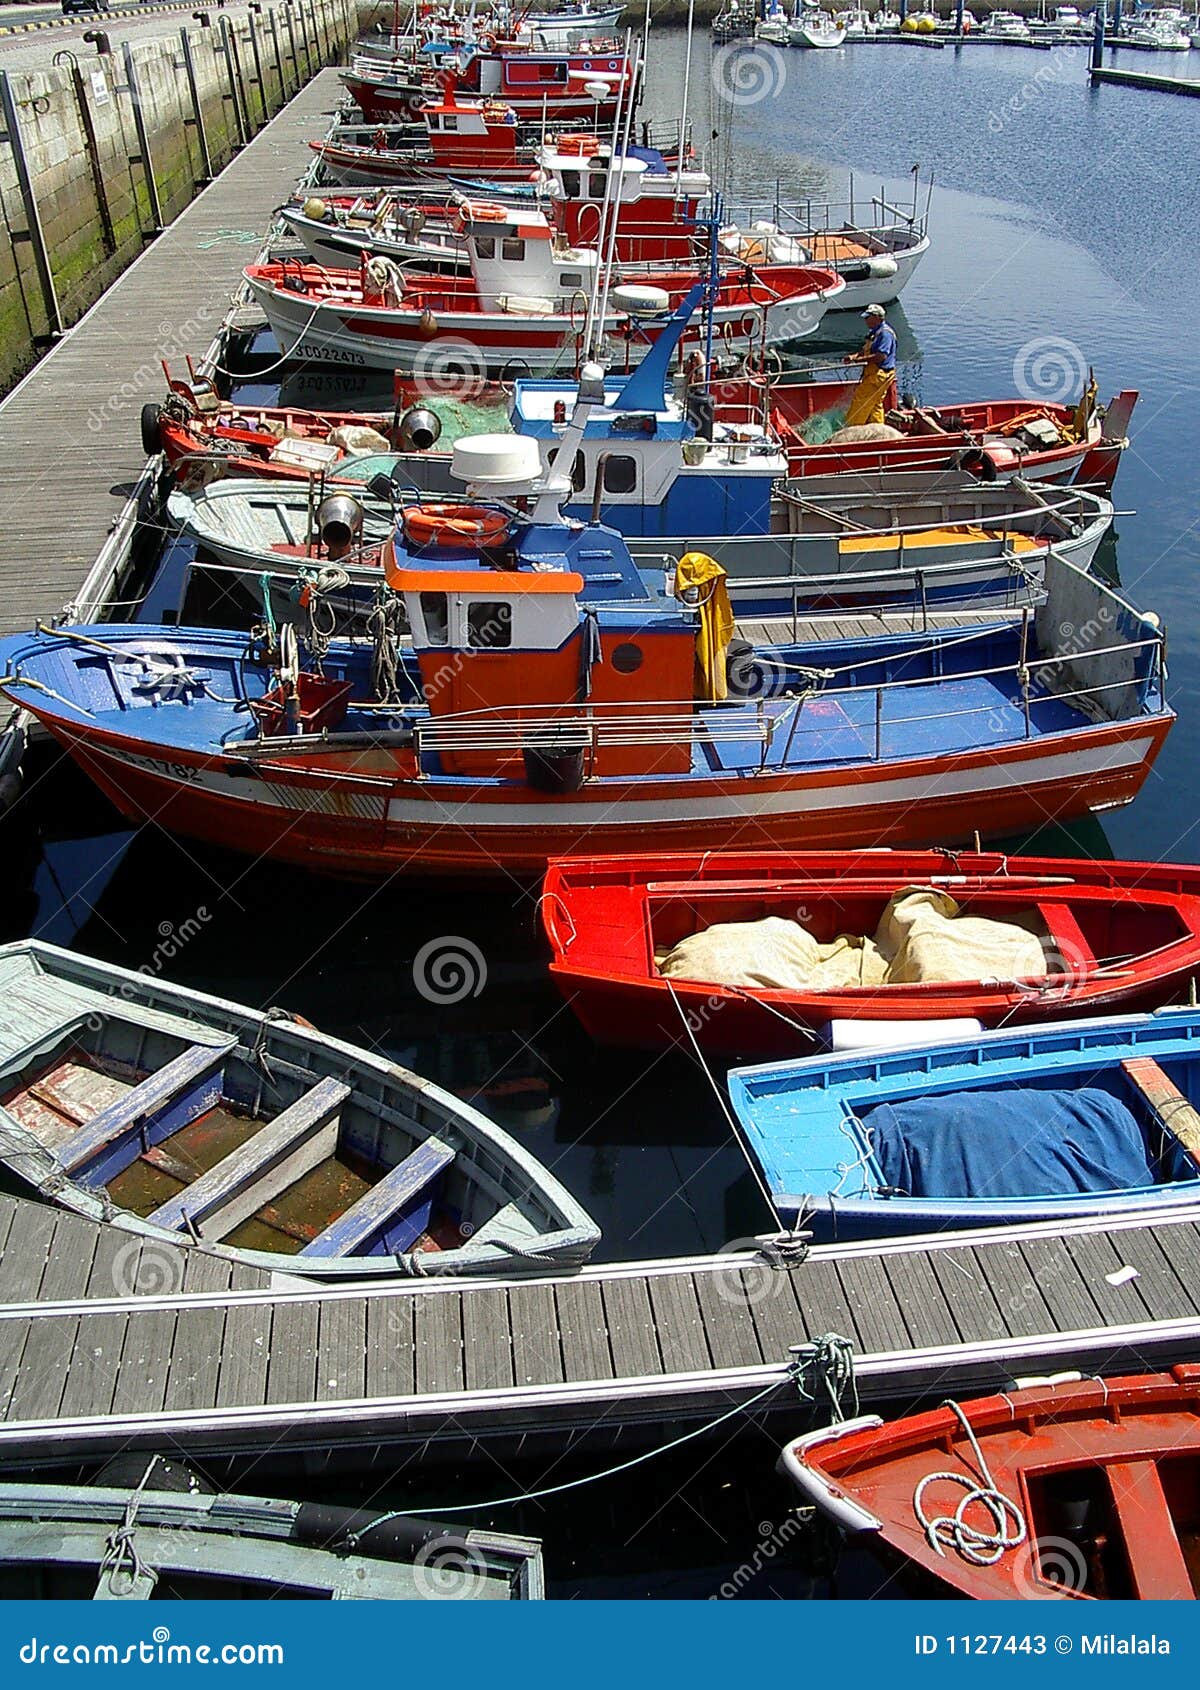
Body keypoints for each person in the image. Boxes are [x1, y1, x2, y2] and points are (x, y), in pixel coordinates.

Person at [842, 303, 897, 429]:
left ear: (877, 317)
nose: (865, 320)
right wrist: (853, 357)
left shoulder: (885, 334)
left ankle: (851, 430)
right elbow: (866, 350)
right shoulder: (874, 333)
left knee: (860, 401)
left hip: (879, 375)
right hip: (876, 374)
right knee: (875, 405)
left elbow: (881, 356)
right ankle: (878, 430)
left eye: (868, 317)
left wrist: (860, 360)